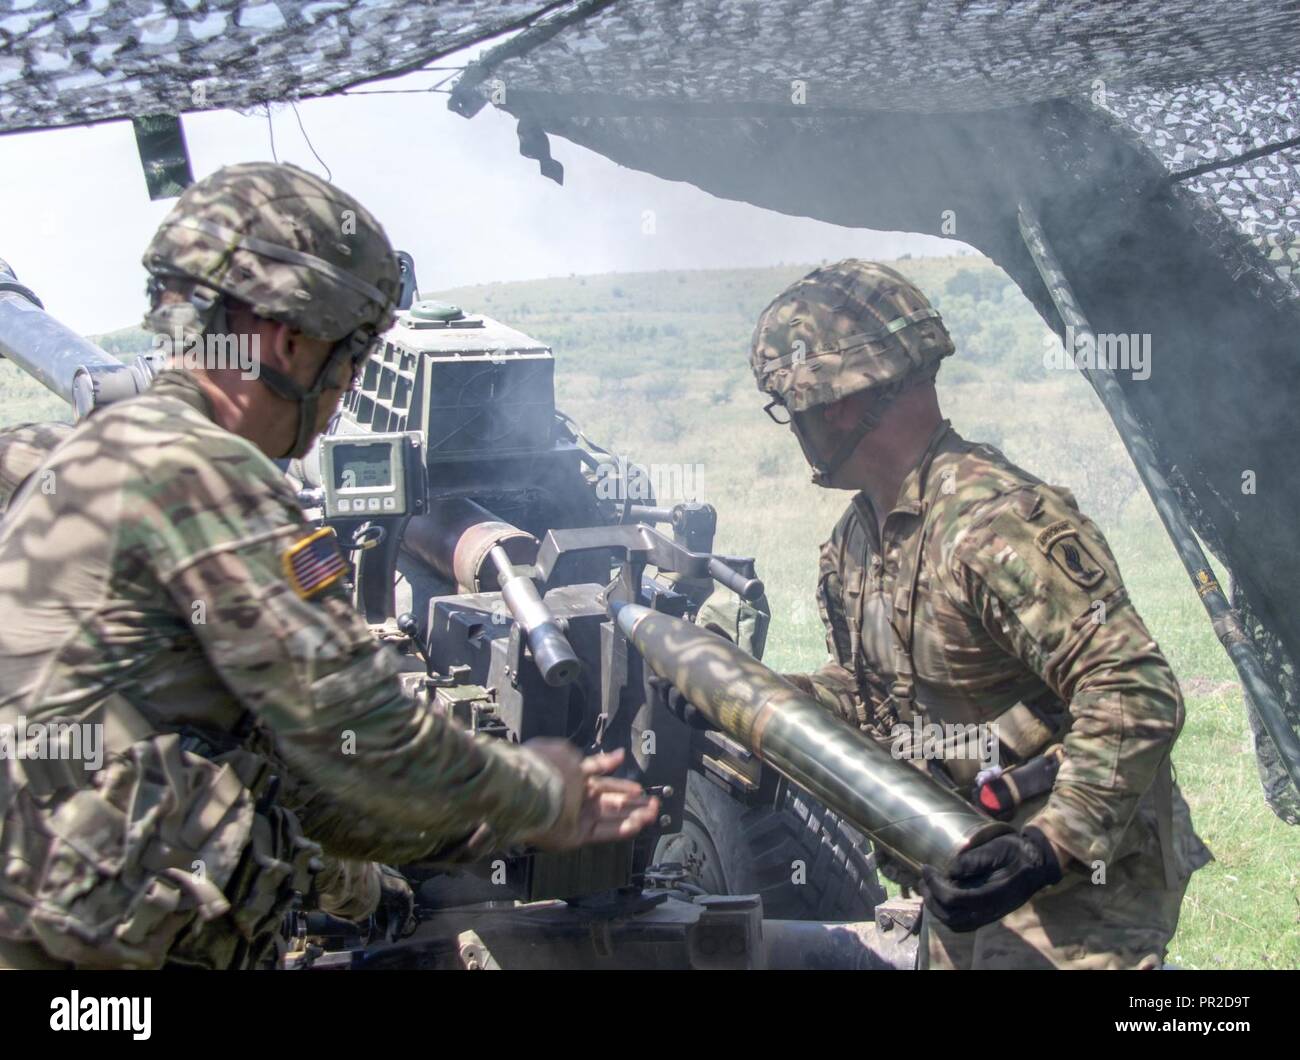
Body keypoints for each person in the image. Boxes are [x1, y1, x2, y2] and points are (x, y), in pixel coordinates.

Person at [0, 162, 657, 970]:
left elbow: (292, 770)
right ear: (288, 342)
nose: (342, 395)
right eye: (347, 363)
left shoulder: (85, 459)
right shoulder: (206, 474)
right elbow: (360, 732)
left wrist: (437, 844)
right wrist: (536, 793)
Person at [751, 259, 1210, 969]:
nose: (798, 428)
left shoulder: (996, 524)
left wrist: (1045, 846)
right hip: (965, 872)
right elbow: (876, 698)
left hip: (1076, 891)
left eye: (792, 406)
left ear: (834, 402)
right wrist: (755, 699)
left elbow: (1131, 688)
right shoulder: (858, 539)